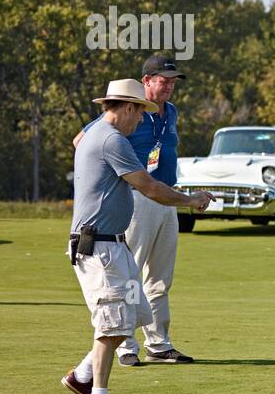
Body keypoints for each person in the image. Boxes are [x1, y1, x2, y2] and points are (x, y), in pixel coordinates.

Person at [61, 79, 213, 394]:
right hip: (98, 247)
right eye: (139, 113)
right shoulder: (112, 139)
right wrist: (190, 200)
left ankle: (83, 375)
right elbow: (148, 186)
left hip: (111, 243)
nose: (142, 121)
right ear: (127, 107)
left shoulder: (103, 132)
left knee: (131, 315)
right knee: (110, 325)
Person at [72, 55, 193, 367]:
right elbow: (81, 141)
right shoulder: (121, 115)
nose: (168, 86)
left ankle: (159, 343)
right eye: (162, 80)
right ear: (146, 82)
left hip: (166, 196)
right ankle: (126, 345)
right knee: (130, 273)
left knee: (160, 277)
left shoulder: (171, 112)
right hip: (138, 195)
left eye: (172, 81)